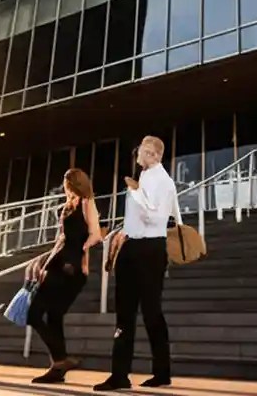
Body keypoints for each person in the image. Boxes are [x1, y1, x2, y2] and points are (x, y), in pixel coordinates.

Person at [94, 136, 177, 392]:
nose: (136, 153)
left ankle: (161, 372)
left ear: (152, 153)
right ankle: (120, 374)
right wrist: (124, 232)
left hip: (150, 249)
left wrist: (136, 194)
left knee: (151, 311)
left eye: (141, 150)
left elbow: (158, 218)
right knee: (124, 312)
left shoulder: (163, 181)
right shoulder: (144, 177)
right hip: (133, 247)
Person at [25, 168, 102, 384]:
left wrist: (81, 253)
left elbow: (95, 234)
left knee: (36, 314)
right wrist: (43, 260)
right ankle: (58, 366)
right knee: (52, 315)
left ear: (73, 183)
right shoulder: (67, 207)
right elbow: (61, 239)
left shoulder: (87, 203)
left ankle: (60, 361)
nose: (65, 188)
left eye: (67, 183)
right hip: (58, 264)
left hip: (73, 270)